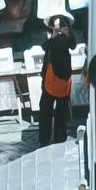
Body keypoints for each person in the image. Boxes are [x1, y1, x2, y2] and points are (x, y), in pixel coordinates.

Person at [34, 15, 79, 148]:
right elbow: (44, 47)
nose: (58, 28)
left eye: (60, 25)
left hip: (63, 75)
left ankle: (60, 137)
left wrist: (67, 34)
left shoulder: (67, 35)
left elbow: (73, 45)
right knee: (45, 109)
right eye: (55, 25)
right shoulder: (49, 35)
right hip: (49, 75)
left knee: (61, 109)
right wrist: (53, 36)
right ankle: (44, 138)